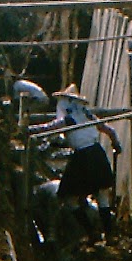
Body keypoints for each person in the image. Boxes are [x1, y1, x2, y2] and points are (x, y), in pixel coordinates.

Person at [43, 83, 120, 241]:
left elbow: (49, 127)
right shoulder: (88, 115)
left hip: (83, 156)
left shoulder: (69, 118)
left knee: (69, 197)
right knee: (102, 196)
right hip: (97, 153)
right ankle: (108, 235)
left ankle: (92, 233)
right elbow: (110, 130)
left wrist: (29, 130)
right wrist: (116, 144)